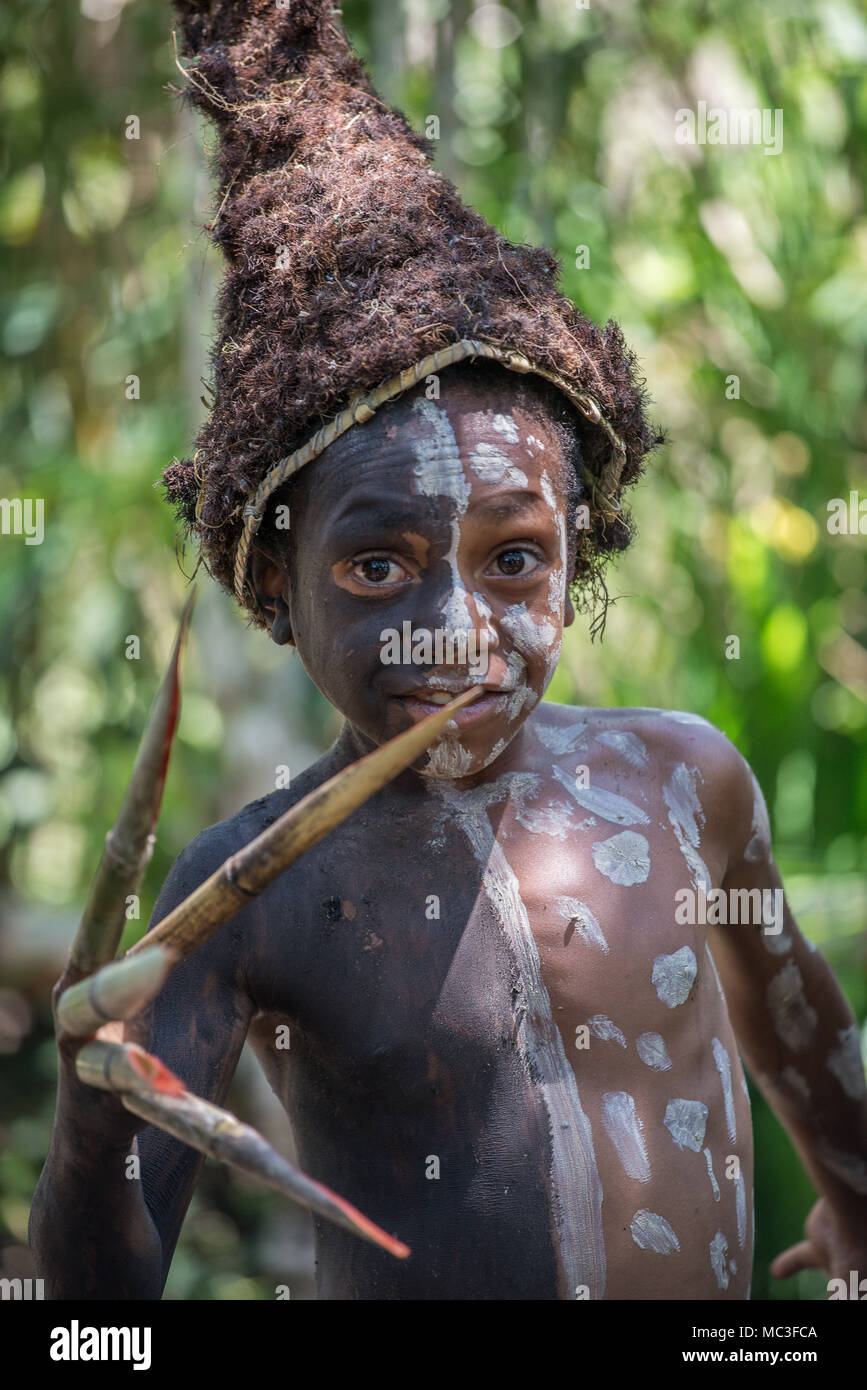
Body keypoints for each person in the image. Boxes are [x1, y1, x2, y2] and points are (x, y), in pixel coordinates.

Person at [30, 0, 867, 1299]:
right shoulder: (245, 893)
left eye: (515, 558)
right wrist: (91, 1134)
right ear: (271, 578)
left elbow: (792, 1016)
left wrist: (857, 1200)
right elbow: (98, 1316)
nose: (456, 633)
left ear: (580, 551)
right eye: (377, 566)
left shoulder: (682, 780)